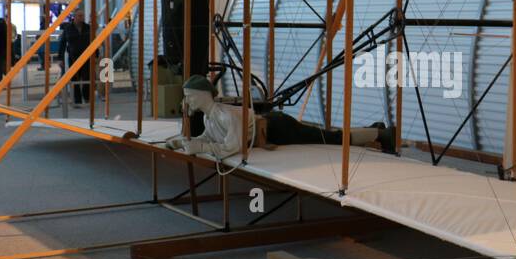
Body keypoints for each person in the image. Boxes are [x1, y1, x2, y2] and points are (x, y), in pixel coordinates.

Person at [163, 75, 395, 159]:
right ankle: (373, 128)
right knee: (329, 135)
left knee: (330, 138)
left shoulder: (225, 116)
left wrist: (200, 148)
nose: (186, 102)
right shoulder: (209, 117)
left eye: (189, 97)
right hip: (271, 126)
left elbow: (231, 148)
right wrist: (184, 141)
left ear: (203, 96)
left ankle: (381, 133)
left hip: (277, 128)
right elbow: (210, 137)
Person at [59, 11, 93, 104]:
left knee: (87, 78)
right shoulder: (68, 28)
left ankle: (87, 98)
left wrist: (96, 55)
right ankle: (77, 100)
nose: (81, 17)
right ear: (74, 17)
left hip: (87, 57)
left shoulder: (88, 28)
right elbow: (62, 43)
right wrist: (60, 58)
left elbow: (93, 42)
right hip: (73, 57)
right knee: (75, 78)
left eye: (82, 15)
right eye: (79, 15)